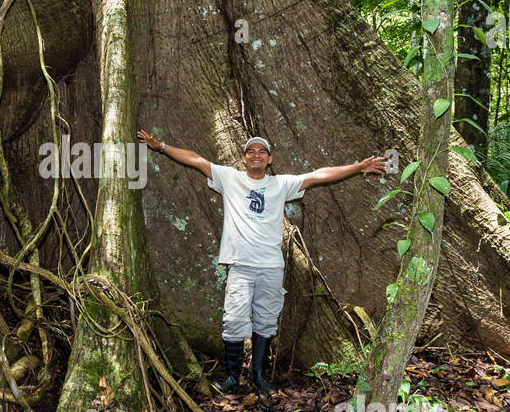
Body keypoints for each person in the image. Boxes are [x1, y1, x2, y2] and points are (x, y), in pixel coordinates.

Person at [136, 129, 386, 396]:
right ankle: (232, 376)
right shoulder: (229, 178)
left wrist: (359, 167)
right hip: (240, 265)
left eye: (262, 152)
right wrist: (159, 145)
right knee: (233, 320)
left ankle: (258, 375)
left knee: (266, 321)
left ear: (269, 159)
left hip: (271, 266)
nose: (256, 155)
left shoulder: (281, 184)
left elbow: (318, 176)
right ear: (244, 158)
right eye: (251, 151)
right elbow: (196, 160)